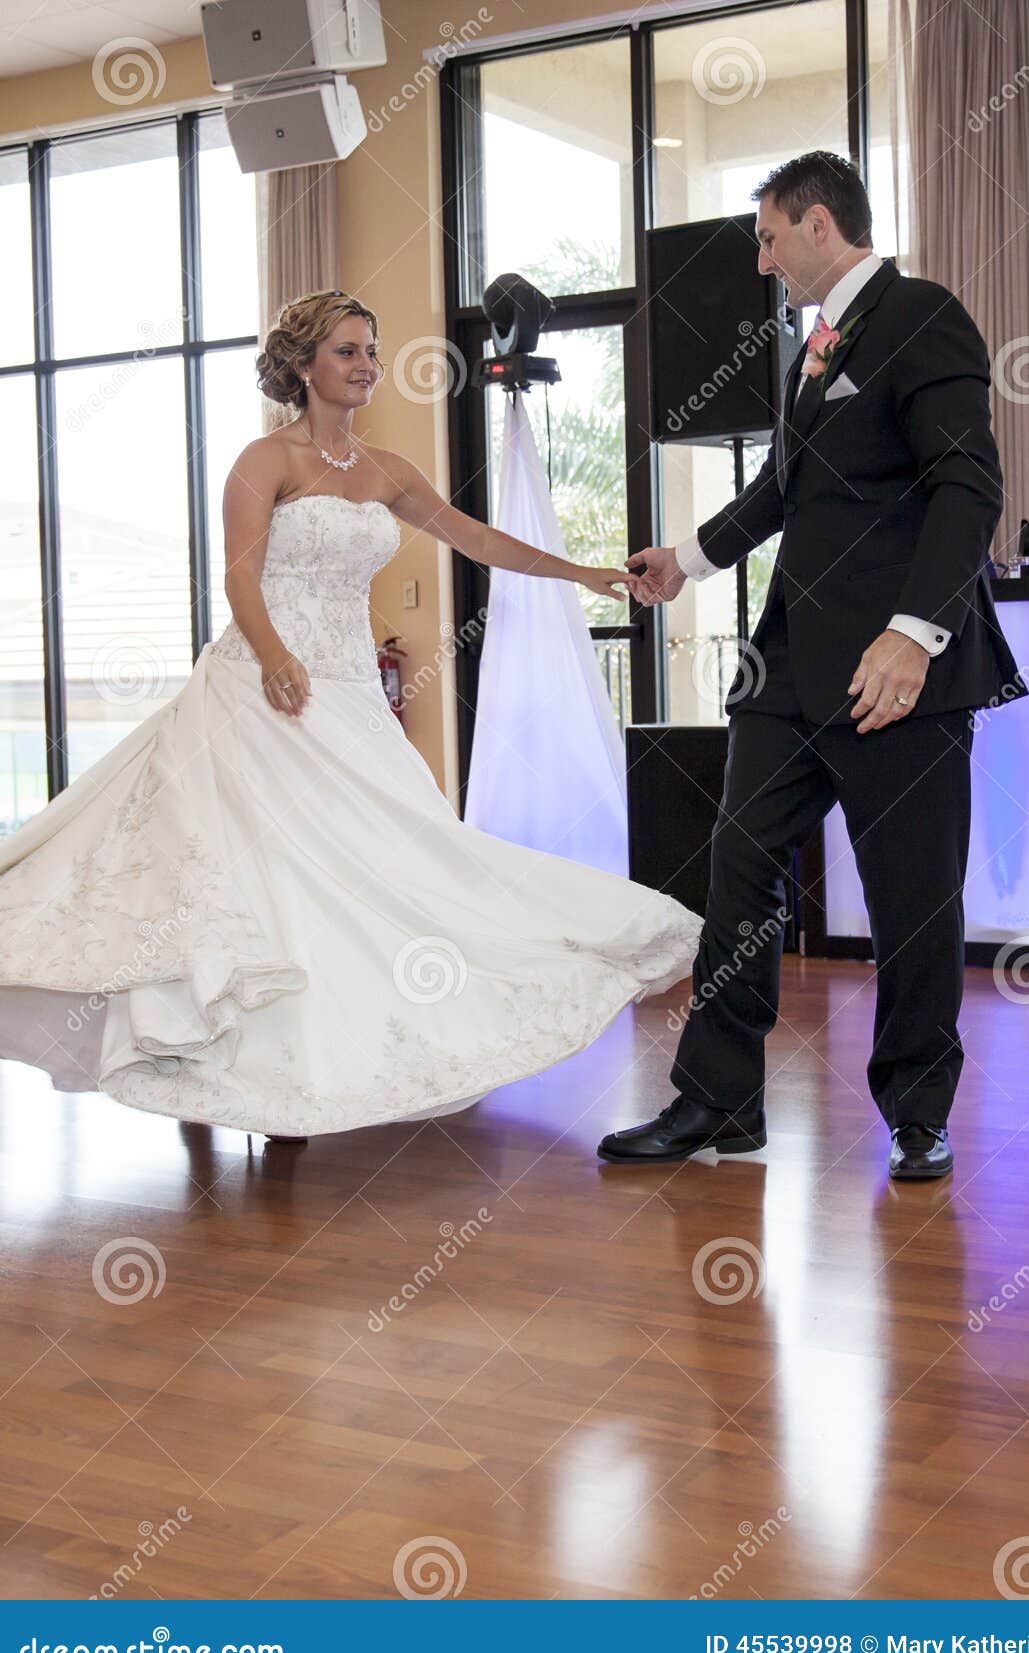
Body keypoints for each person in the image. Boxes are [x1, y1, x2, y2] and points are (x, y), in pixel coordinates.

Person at [0, 289, 702, 1142]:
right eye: (347, 351)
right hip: (263, 688)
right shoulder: (265, 462)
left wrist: (580, 573)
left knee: (394, 862)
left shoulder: (388, 471)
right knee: (262, 872)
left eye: (371, 349)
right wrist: (275, 656)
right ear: (304, 367)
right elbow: (240, 576)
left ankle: (344, 1047)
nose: (367, 364)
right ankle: (218, 1050)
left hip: (350, 699)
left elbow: (476, 539)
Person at [606, 152, 1027, 1179]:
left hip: (896, 672)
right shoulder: (808, 344)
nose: (758, 257)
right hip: (787, 667)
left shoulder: (923, 317)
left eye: (764, 235)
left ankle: (917, 1112)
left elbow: (965, 486)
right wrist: (689, 555)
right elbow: (783, 486)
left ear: (817, 225)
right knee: (739, 863)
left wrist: (912, 631)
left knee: (910, 899)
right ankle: (716, 1103)